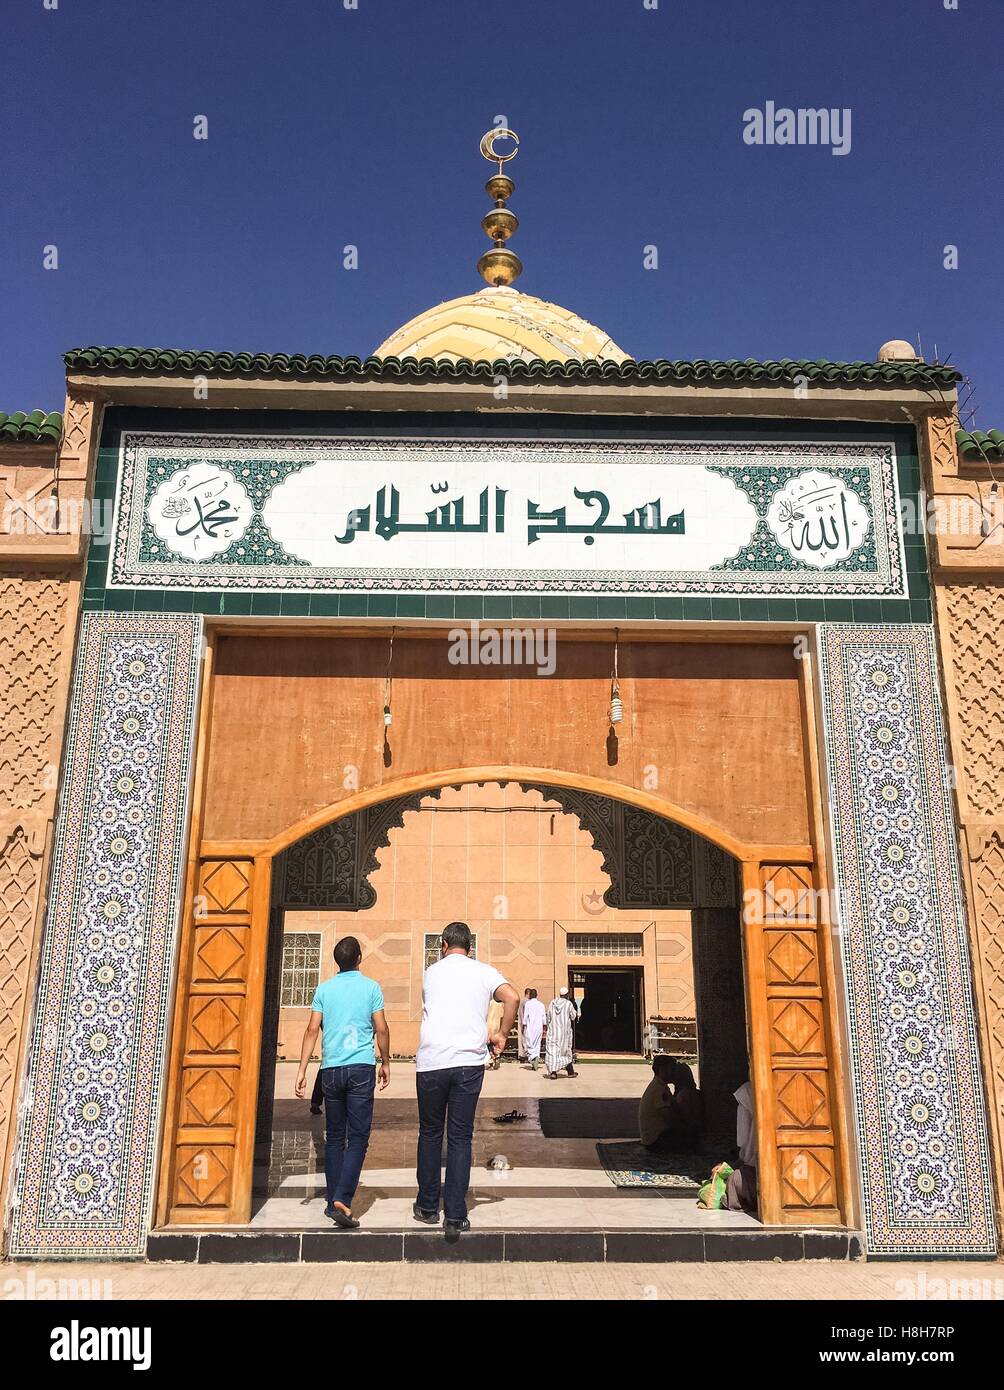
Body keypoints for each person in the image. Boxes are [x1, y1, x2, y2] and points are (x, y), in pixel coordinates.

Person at [413, 922, 519, 1233]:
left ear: (443, 944)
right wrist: (501, 1035)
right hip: (467, 1064)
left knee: (431, 1134)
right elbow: (512, 998)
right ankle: (456, 1213)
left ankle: (428, 1206)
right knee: (460, 1137)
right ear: (470, 947)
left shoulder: (431, 972)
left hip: (431, 1062)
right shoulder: (484, 971)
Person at [295, 935, 389, 1229]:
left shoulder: (324, 989)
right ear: (359, 958)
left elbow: (312, 1029)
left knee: (334, 1136)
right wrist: (385, 1061)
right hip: (360, 1068)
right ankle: (342, 1200)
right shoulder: (371, 987)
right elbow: (381, 1028)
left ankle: (331, 1199)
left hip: (331, 1069)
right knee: (358, 1136)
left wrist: (302, 1069)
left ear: (338, 961)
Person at [639, 1057, 702, 1151]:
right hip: (656, 1139)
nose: (674, 1073)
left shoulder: (659, 1085)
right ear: (662, 1070)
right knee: (693, 1139)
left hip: (655, 1137)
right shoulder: (659, 1089)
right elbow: (668, 1117)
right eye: (672, 1069)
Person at [544, 986, 579, 1078]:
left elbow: (548, 1017)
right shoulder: (568, 1004)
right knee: (565, 1052)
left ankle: (553, 1073)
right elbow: (573, 1016)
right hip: (564, 1034)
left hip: (553, 1032)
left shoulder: (552, 1003)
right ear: (567, 995)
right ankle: (570, 1072)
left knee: (553, 1052)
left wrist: (549, 1027)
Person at [521, 988, 546, 1070]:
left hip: (530, 1027)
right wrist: (545, 1026)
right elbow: (543, 1017)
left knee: (529, 1044)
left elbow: (525, 1016)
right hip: (539, 1027)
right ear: (537, 995)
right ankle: (535, 1058)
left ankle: (532, 1058)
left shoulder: (528, 1004)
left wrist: (524, 1025)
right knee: (537, 1044)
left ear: (530, 995)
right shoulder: (541, 1005)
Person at [486, 996, 505, 1069]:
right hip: (497, 1024)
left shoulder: (489, 1002)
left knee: (488, 1043)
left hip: (489, 1024)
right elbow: (502, 1015)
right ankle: (497, 1056)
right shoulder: (500, 1003)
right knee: (495, 1042)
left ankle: (491, 1059)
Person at [516, 987, 531, 1061]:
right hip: (525, 1023)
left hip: (521, 1021)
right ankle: (525, 1055)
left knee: (521, 1039)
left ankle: (521, 1054)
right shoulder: (527, 1001)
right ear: (528, 993)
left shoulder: (522, 1000)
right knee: (526, 1039)